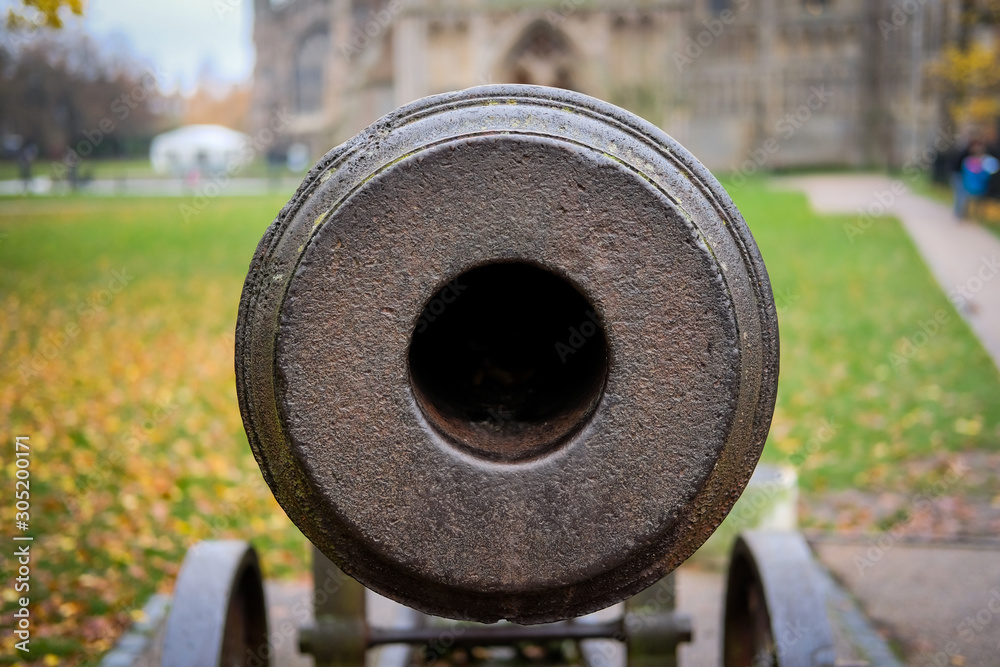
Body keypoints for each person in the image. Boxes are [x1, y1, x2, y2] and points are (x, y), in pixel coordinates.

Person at [960, 141, 1000, 219]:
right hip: (976, 185)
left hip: (971, 185)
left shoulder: (970, 161)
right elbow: (985, 175)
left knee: (969, 200)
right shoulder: (979, 163)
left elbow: (965, 173)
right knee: (974, 201)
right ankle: (972, 215)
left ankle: (967, 214)